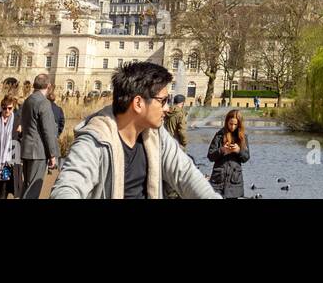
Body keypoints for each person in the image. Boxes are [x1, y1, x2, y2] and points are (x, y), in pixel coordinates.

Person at [49, 61, 219, 199]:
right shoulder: (94, 141)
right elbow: (67, 188)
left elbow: (187, 176)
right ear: (138, 103)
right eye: (163, 101)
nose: (167, 108)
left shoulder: (156, 135)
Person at [19, 73, 59, 199]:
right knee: (33, 190)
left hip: (26, 148)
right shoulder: (44, 103)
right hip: (38, 151)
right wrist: (52, 154)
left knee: (26, 186)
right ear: (48, 86)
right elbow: (48, 131)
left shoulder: (27, 101)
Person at [206, 110, 249, 199]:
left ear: (239, 124)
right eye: (230, 124)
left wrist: (238, 151)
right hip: (218, 179)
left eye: (235, 124)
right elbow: (210, 156)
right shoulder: (219, 135)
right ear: (226, 122)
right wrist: (222, 150)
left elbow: (246, 158)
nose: (233, 127)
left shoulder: (243, 137)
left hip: (235, 181)